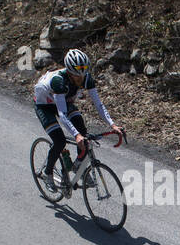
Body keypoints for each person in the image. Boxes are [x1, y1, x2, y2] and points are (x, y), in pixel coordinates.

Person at [32, 49, 123, 191]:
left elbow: (98, 104)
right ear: (68, 71)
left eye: (83, 72)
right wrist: (76, 135)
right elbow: (62, 114)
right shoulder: (59, 81)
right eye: (76, 75)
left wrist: (112, 124)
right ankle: (47, 173)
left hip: (63, 101)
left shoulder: (86, 78)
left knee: (85, 135)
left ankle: (77, 167)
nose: (80, 78)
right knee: (59, 140)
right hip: (44, 105)